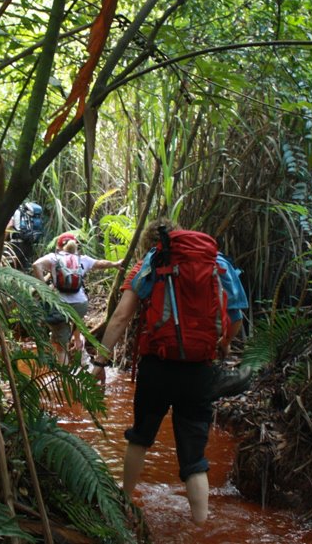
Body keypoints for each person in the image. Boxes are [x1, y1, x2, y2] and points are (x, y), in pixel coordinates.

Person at [90, 218, 247, 525]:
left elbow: (121, 316)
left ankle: (123, 506)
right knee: (194, 458)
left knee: (140, 437)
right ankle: (200, 526)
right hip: (200, 371)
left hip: (157, 369)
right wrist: (223, 344)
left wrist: (100, 362)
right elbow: (236, 314)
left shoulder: (151, 262)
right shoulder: (217, 262)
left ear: (153, 242)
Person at [32, 232, 122, 365]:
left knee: (61, 347)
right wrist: (115, 264)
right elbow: (101, 264)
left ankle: (65, 380)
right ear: (76, 247)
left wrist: (43, 288)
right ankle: (80, 352)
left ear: (58, 247)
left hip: (60, 306)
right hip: (81, 305)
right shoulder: (82, 259)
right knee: (77, 326)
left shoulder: (54, 258)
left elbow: (36, 265)